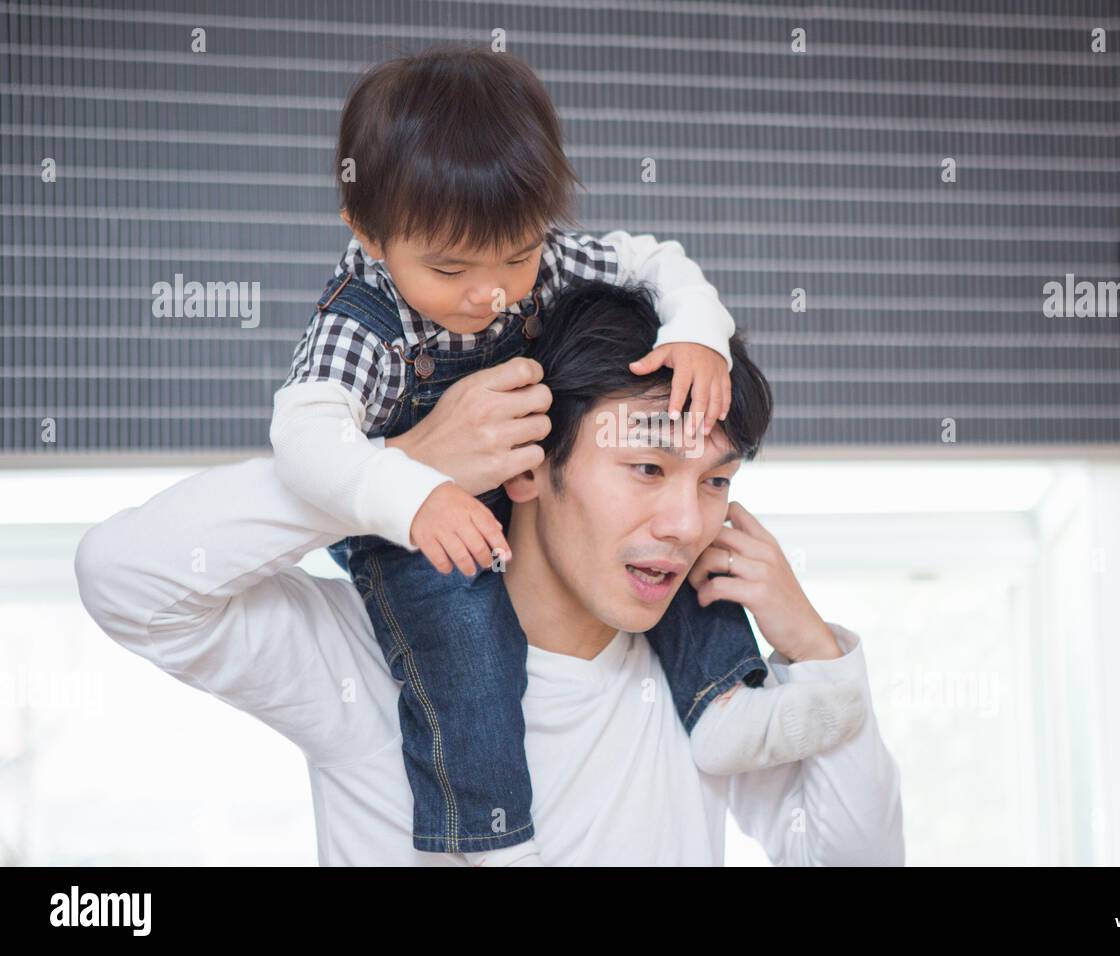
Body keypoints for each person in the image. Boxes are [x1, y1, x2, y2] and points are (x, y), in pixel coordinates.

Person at [74, 279, 905, 867]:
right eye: (648, 469)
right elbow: (126, 579)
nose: (689, 525)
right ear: (528, 469)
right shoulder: (372, 658)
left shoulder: (706, 687)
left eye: (716, 482)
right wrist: (397, 470)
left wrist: (815, 652)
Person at [268, 44, 856, 862]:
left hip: (499, 492)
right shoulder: (355, 325)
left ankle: (725, 698)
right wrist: (416, 483)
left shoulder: (548, 263)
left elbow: (659, 261)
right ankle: (494, 832)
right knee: (464, 640)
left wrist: (696, 334)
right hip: (400, 516)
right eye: (449, 268)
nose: (492, 294)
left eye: (516, 257)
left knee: (685, 557)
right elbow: (303, 443)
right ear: (367, 234)